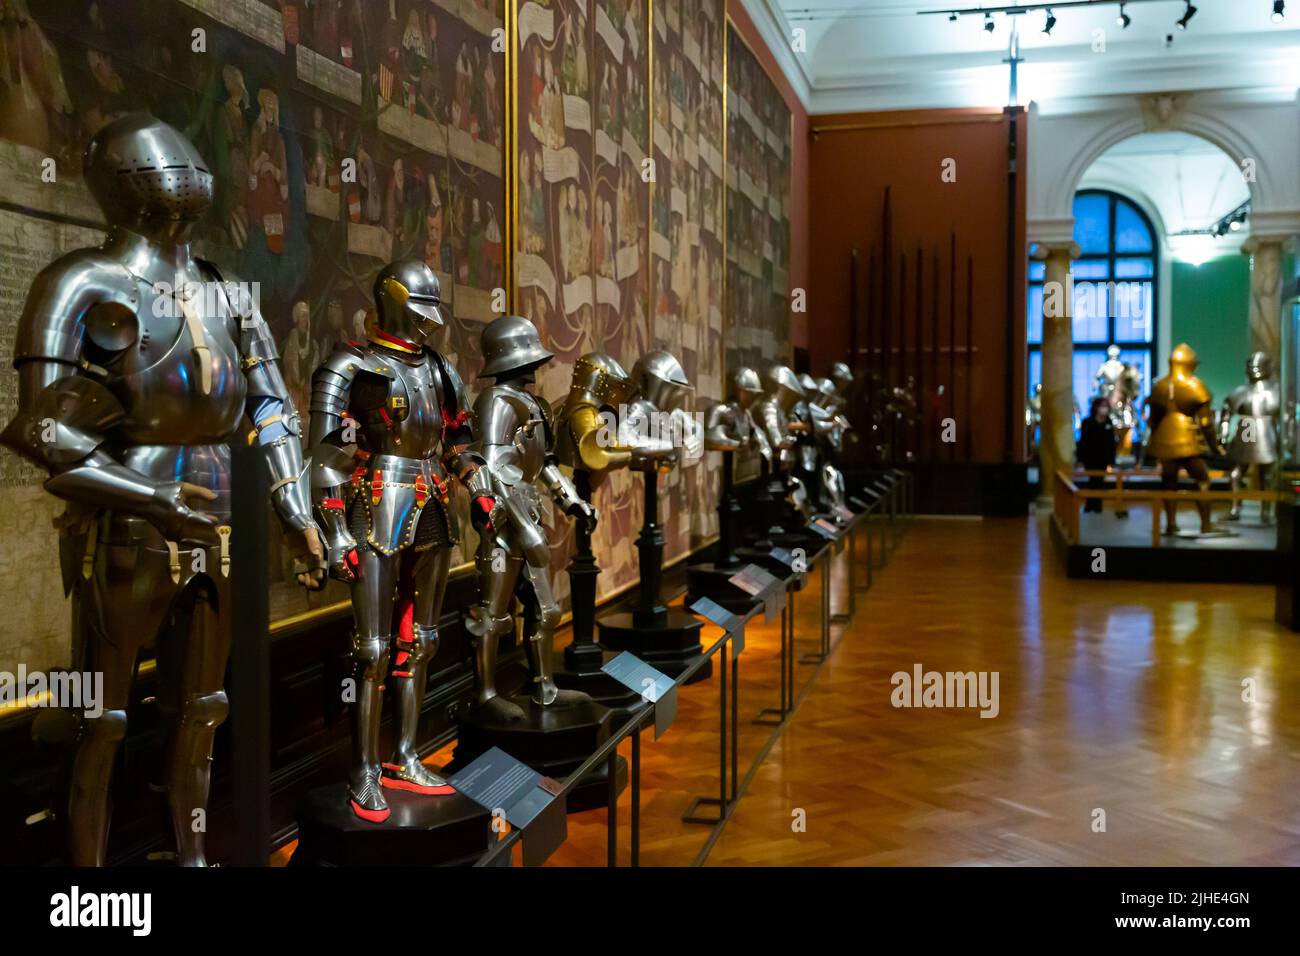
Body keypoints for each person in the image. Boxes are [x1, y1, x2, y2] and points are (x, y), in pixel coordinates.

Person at [1077, 396, 1116, 514]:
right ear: (1096, 408)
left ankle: (1096, 505)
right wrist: (1081, 459)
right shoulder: (1087, 423)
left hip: (1103, 459)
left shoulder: (1109, 422)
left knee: (1100, 481)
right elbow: (1083, 442)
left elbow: (1111, 443)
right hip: (1090, 458)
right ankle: (1091, 504)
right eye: (1102, 406)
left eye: (1106, 407)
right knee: (1093, 480)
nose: (1105, 409)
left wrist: (1111, 460)